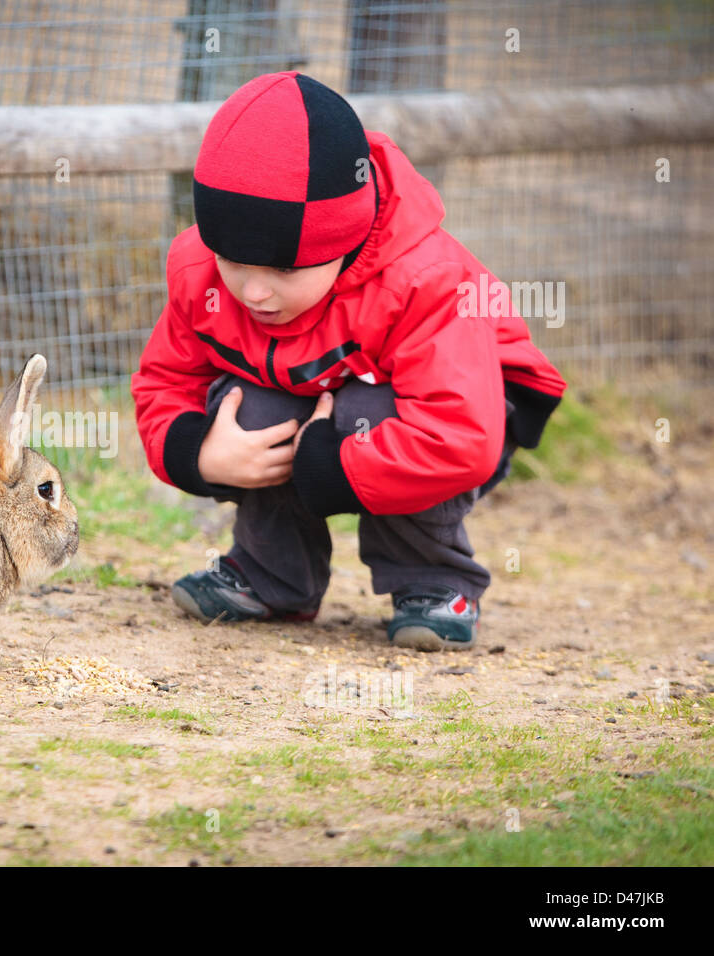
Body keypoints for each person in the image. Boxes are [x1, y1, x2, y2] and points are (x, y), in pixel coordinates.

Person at [131, 71, 566, 650]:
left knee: (369, 409)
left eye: (284, 272)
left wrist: (330, 467)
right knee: (252, 406)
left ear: (344, 244)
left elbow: (459, 434)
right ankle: (270, 574)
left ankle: (436, 582)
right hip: (322, 388)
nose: (254, 293)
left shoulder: (427, 281)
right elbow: (166, 379)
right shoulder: (201, 272)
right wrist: (199, 453)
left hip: (473, 412)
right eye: (236, 262)